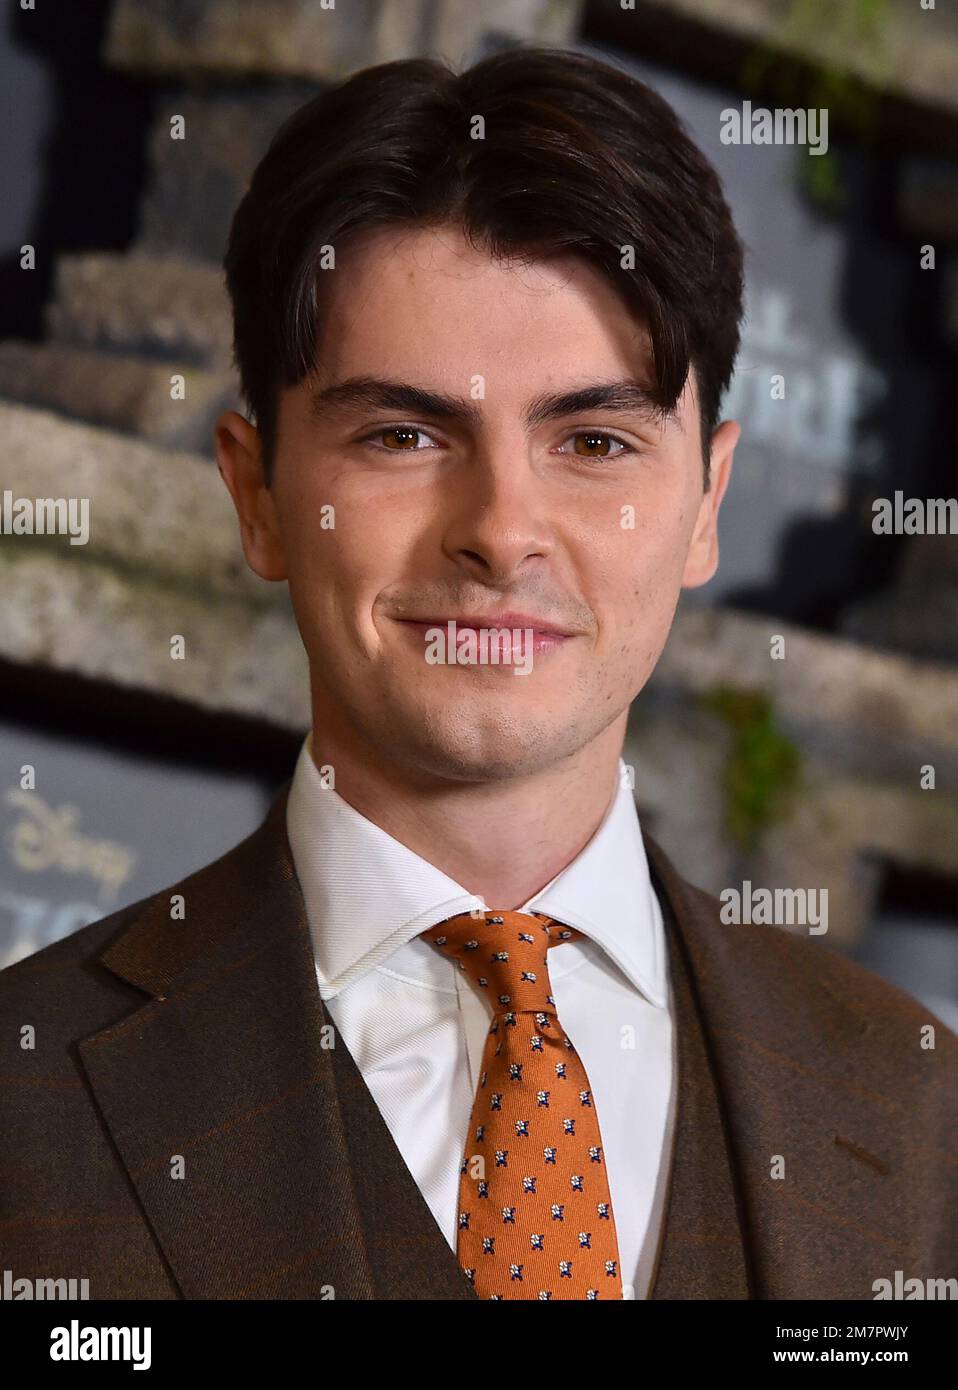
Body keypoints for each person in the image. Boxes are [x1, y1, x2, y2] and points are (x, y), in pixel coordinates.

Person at [2, 45, 955, 1302]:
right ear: (257, 493)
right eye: (403, 434)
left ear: (708, 500)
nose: (501, 529)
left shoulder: (921, 1106)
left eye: (595, 440)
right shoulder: (24, 1103)